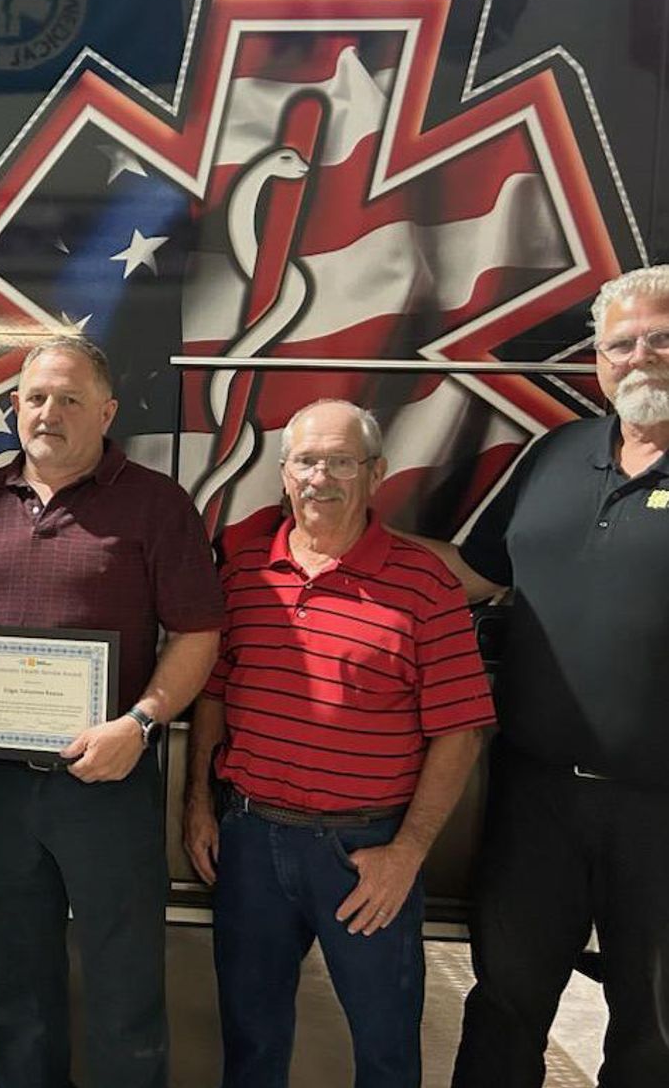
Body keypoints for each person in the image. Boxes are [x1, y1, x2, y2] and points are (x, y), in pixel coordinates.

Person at [0, 336, 224, 1088]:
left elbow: (198, 632)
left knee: (124, 994)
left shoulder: (157, 504)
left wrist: (144, 723)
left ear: (107, 410)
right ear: (15, 408)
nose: (48, 412)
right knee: (14, 990)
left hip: (109, 782)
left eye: (68, 398)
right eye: (34, 397)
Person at [183, 399, 494, 1088]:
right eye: (306, 460)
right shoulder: (244, 576)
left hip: (365, 856)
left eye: (341, 461)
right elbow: (213, 694)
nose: (320, 476)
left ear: (376, 472)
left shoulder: (425, 584)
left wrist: (406, 853)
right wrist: (200, 805)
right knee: (250, 1040)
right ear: (285, 474)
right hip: (252, 842)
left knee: (384, 1048)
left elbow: (461, 731)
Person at [423, 266, 669, 1087]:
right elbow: (475, 573)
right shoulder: (556, 453)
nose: (641, 357)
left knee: (655, 1028)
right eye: (622, 344)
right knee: (505, 1004)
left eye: (662, 339)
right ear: (597, 361)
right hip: (537, 799)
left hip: (660, 811)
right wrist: (346, 547)